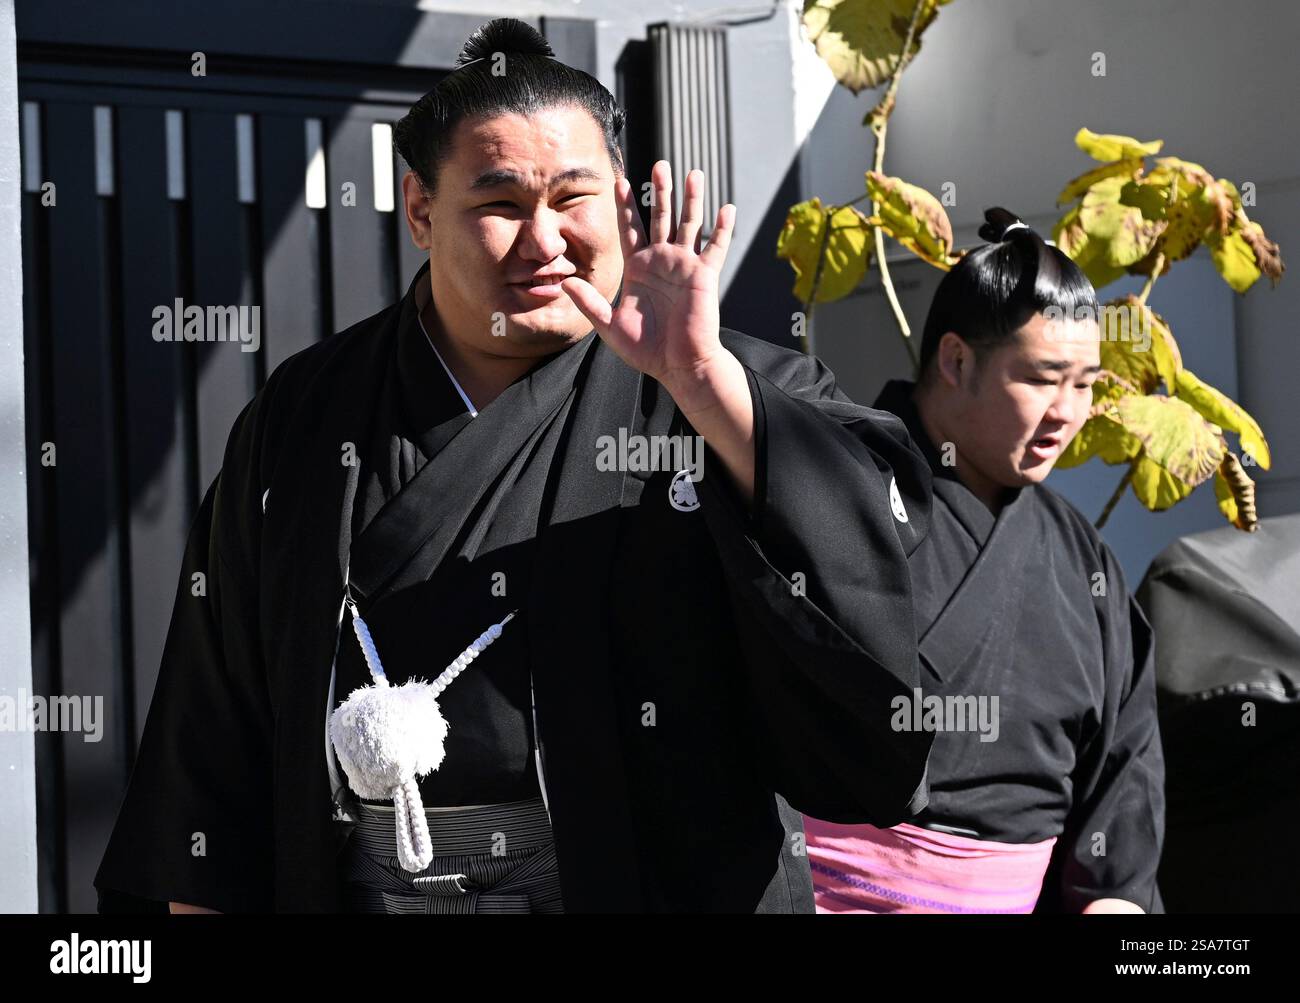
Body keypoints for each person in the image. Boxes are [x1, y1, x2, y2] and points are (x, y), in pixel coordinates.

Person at [94, 18, 934, 914]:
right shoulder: (308, 415)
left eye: (574, 197)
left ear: (621, 196)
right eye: (500, 204)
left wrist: (703, 383)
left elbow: (868, 589)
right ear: (420, 209)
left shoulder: (726, 386)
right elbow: (214, 719)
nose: (544, 240)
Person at [802, 208, 1165, 914]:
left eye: (1086, 384)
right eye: (1042, 378)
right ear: (957, 359)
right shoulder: (831, 490)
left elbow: (1123, 780)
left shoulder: (1081, 558)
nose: (1068, 411)